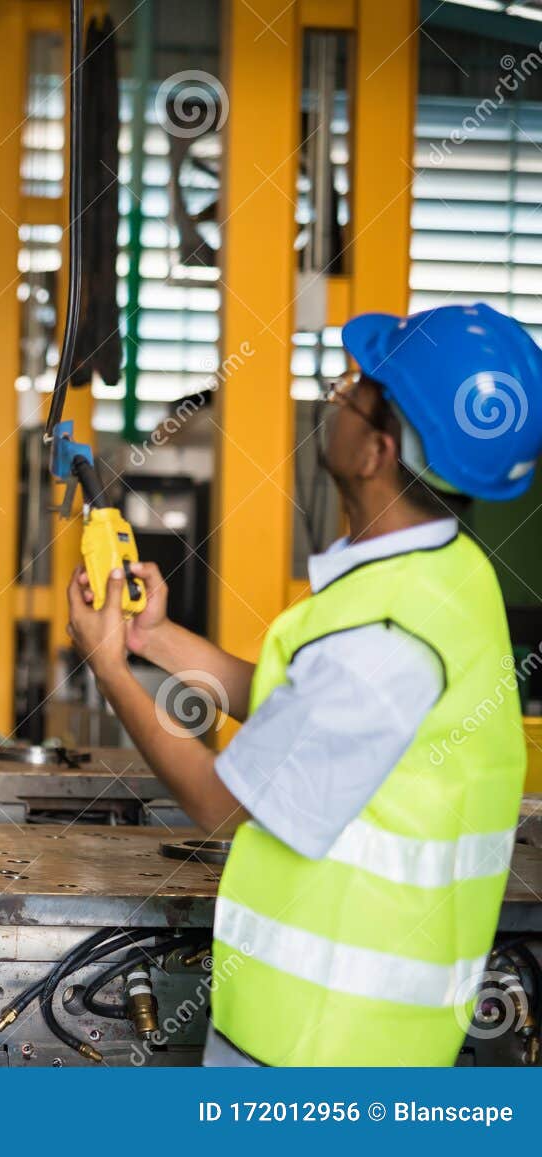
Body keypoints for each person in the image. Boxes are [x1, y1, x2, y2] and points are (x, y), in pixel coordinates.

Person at [66, 303, 542, 1066]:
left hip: (320, 1049)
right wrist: (151, 639)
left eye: (350, 389)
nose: (334, 397)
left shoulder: (385, 639)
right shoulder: (445, 578)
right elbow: (299, 710)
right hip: (344, 1037)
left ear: (376, 450)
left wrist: (111, 668)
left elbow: (222, 802)